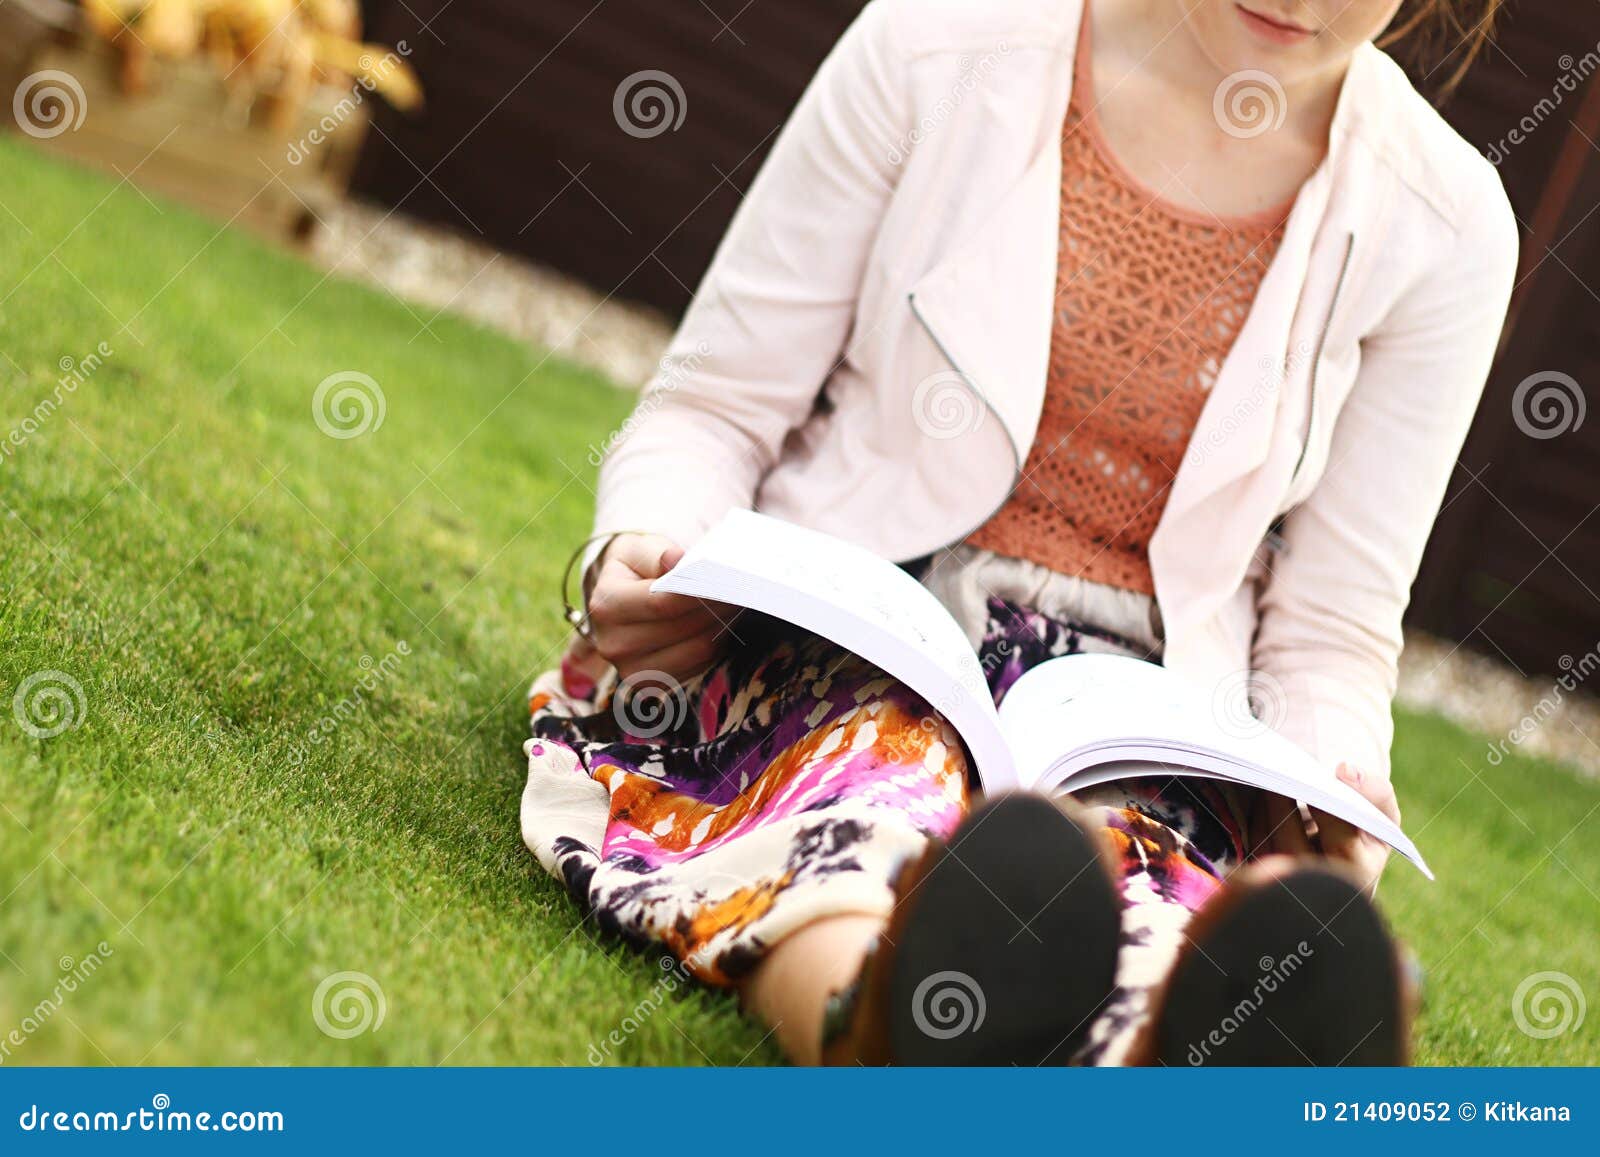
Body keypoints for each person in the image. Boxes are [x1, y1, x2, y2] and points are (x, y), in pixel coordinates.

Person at [520, 0, 1516, 1065]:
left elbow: (1331, 630)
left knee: (1149, 888)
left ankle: (1175, 1067)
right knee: (871, 793)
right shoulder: (933, 42)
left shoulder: (1444, 223)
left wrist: (1330, 787)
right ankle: (874, 1025)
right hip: (852, 638)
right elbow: (715, 407)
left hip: (1148, 720)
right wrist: (650, 541)